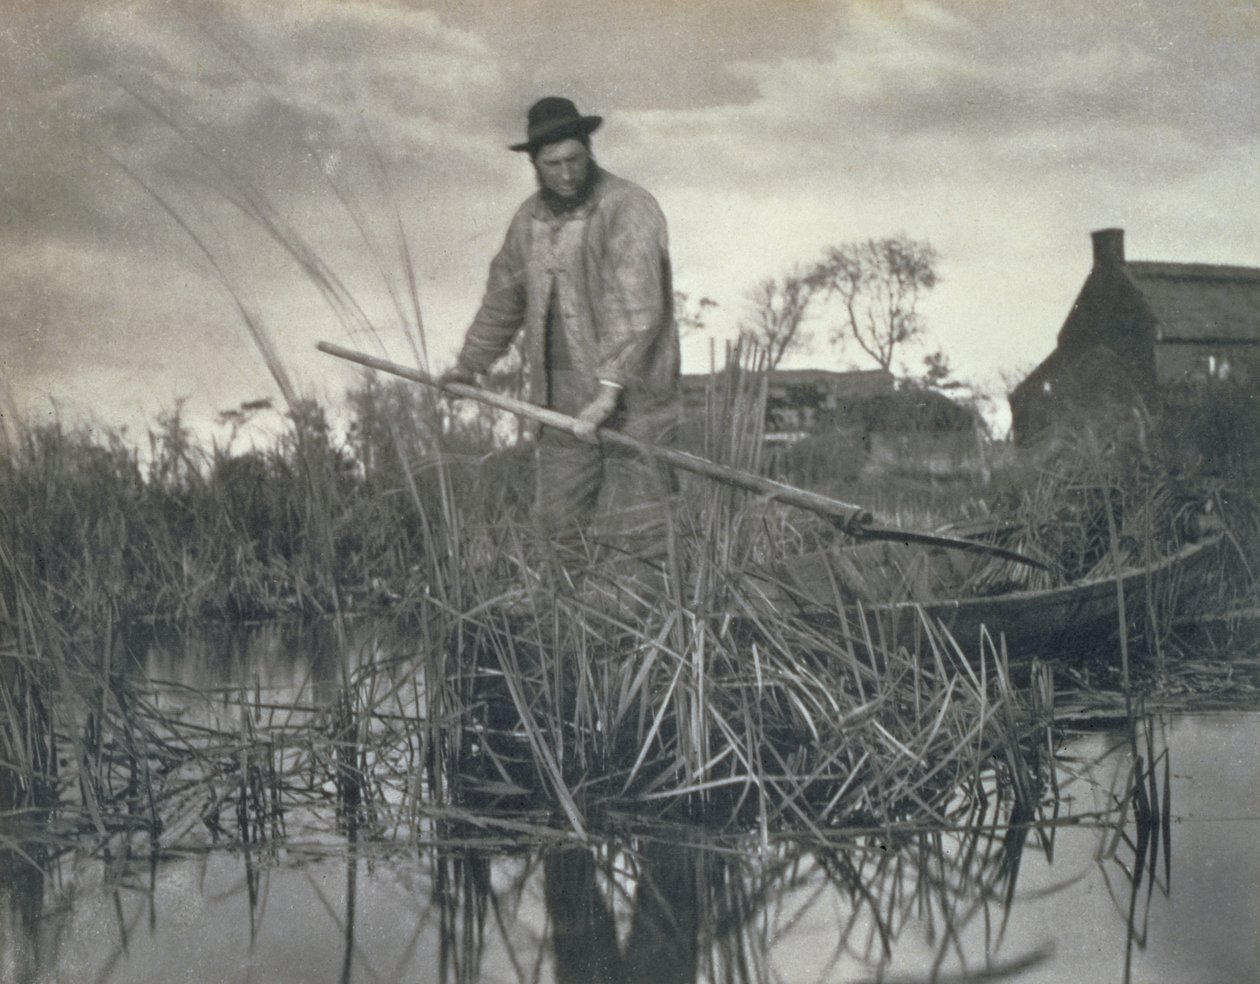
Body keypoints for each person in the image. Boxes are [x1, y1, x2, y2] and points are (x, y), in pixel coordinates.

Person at [441, 96, 680, 580]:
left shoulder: (627, 206)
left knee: (641, 530)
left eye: (575, 160)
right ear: (535, 165)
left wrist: (607, 392)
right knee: (555, 529)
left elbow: (635, 305)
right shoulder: (528, 220)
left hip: (634, 397)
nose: (567, 174)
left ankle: (650, 637)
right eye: (553, 165)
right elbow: (503, 298)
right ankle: (565, 637)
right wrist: (470, 364)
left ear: (589, 152)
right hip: (557, 399)